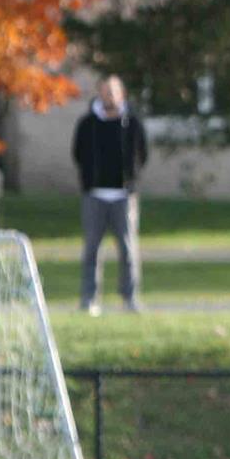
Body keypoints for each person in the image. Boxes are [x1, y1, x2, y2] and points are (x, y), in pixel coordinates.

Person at [71, 75, 149, 316]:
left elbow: (142, 154)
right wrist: (89, 180)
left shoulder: (132, 123)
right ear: (99, 94)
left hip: (123, 196)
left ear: (121, 94)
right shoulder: (87, 124)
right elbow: (78, 153)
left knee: (127, 249)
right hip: (94, 196)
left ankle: (130, 298)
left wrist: (130, 179)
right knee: (92, 248)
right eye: (105, 92)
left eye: (113, 92)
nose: (109, 96)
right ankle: (89, 299)